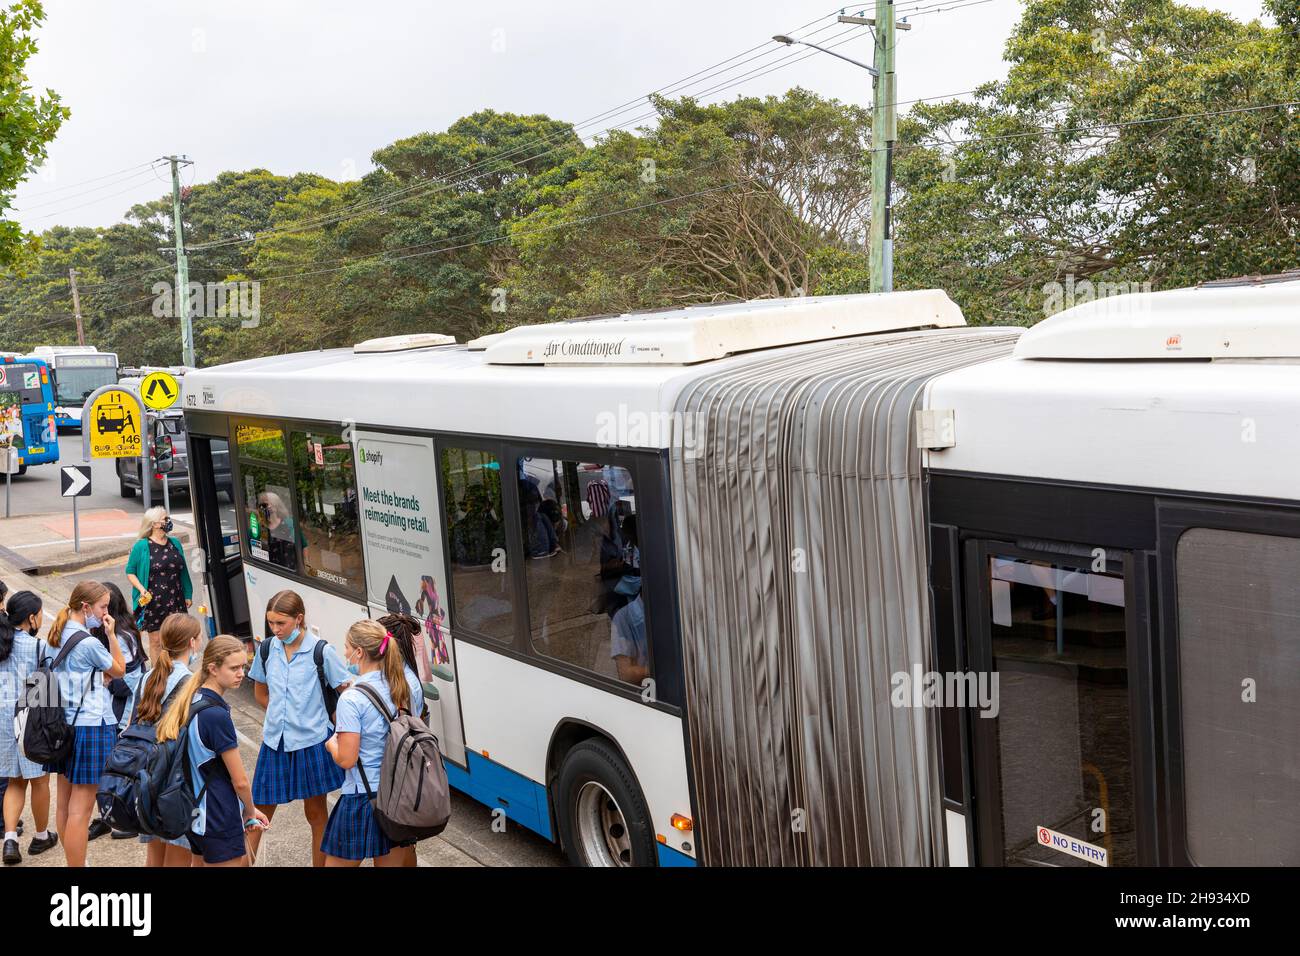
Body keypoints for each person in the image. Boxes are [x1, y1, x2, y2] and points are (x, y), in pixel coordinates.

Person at [245, 590, 349, 867]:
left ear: (299, 619)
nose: (275, 629)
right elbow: (260, 692)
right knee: (257, 813)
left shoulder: (322, 651)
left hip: (312, 743)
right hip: (274, 743)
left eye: (281, 623)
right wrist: (282, 716)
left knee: (316, 814)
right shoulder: (267, 649)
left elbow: (347, 693)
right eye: (271, 623)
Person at [155, 635, 268, 867]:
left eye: (243, 666)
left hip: (195, 810)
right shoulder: (216, 715)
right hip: (218, 813)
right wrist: (249, 811)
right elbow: (240, 781)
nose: (241, 673)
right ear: (213, 669)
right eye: (234, 668)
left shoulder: (193, 699)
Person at [44, 581, 126, 868]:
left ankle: (74, 861)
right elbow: (119, 668)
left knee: (65, 803)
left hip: (63, 725)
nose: (106, 612)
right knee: (82, 808)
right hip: (91, 723)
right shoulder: (89, 642)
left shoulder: (54, 636)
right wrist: (111, 633)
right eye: (103, 606)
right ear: (86, 607)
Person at [321, 620, 411, 867]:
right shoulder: (401, 687)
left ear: (359, 652)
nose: (345, 653)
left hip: (363, 796)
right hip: (397, 794)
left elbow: (347, 759)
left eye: (347, 647)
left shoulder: (352, 698)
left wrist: (331, 745)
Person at [132, 612, 204, 867]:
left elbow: (132, 724)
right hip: (177, 780)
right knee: (179, 854)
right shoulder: (192, 683)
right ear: (192, 643)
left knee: (154, 856)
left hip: (149, 777)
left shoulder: (147, 677)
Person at [1, 591, 55, 865]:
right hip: (30, 721)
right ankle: (42, 835)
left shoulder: (2, 642)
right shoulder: (38, 648)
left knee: (14, 781)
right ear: (32, 618)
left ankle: (10, 839)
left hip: (2, 722)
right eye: (41, 614)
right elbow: (47, 690)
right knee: (40, 781)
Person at [373, 613, 428, 867]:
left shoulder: (399, 681)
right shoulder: (409, 676)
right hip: (408, 769)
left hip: (396, 772)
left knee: (393, 842)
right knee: (406, 841)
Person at [125, 507, 193, 658]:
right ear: (154, 524)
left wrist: (188, 594)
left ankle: (175, 672)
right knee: (156, 641)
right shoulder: (141, 546)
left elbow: (183, 570)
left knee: (177, 639)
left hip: (176, 599)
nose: (168, 522)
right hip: (154, 601)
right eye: (165, 519)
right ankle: (158, 676)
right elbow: (130, 572)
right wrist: (142, 590)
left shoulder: (175, 543)